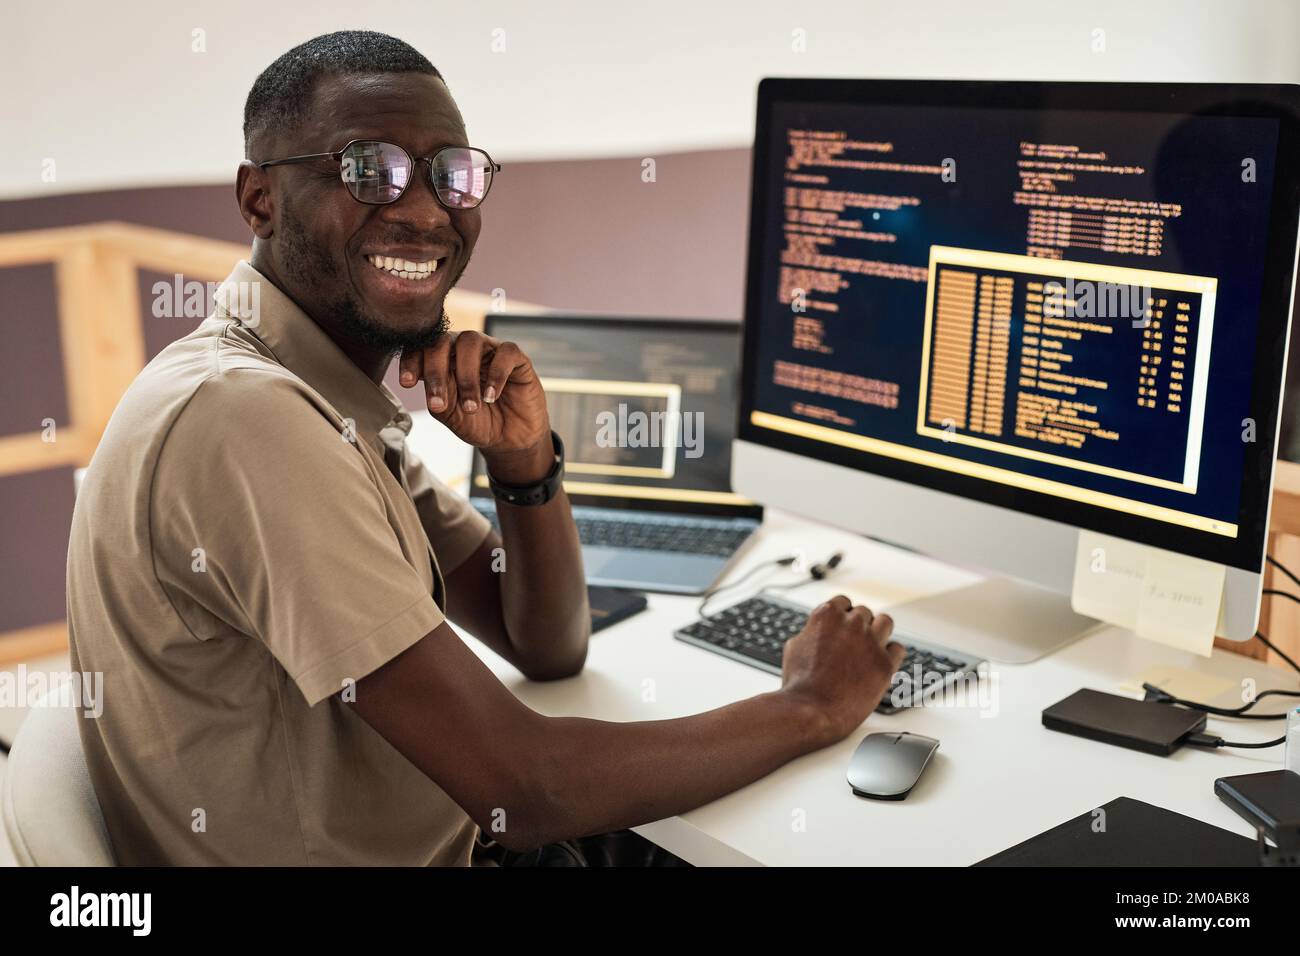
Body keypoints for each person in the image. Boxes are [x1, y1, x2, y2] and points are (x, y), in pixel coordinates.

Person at [66, 30, 903, 866]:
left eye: (449, 173)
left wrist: (525, 464)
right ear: (259, 200)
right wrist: (810, 707)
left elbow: (542, 643)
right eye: (369, 168)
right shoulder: (248, 420)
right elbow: (525, 790)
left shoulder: (317, 395)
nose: (426, 211)